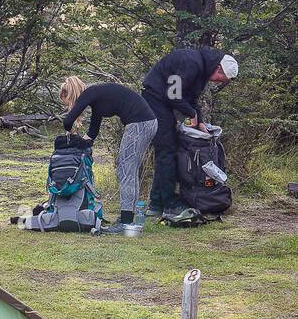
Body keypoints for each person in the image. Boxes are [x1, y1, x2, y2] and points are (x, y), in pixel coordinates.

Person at [141, 48, 238, 223]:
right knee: (167, 150)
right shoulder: (191, 62)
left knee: (169, 150)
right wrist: (191, 114)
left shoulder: (201, 71)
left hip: (164, 102)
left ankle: (156, 204)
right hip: (153, 98)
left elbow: (190, 99)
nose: (217, 82)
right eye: (219, 79)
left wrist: (199, 119)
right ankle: (168, 203)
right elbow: (173, 93)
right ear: (218, 68)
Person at [59, 77, 158, 232]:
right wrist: (80, 143)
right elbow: (92, 132)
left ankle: (125, 223)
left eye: (67, 103)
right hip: (145, 123)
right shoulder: (96, 99)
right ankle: (128, 217)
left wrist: (68, 133)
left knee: (125, 171)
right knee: (129, 171)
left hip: (140, 124)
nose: (70, 106)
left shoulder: (89, 93)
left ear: (70, 95)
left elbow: (68, 121)